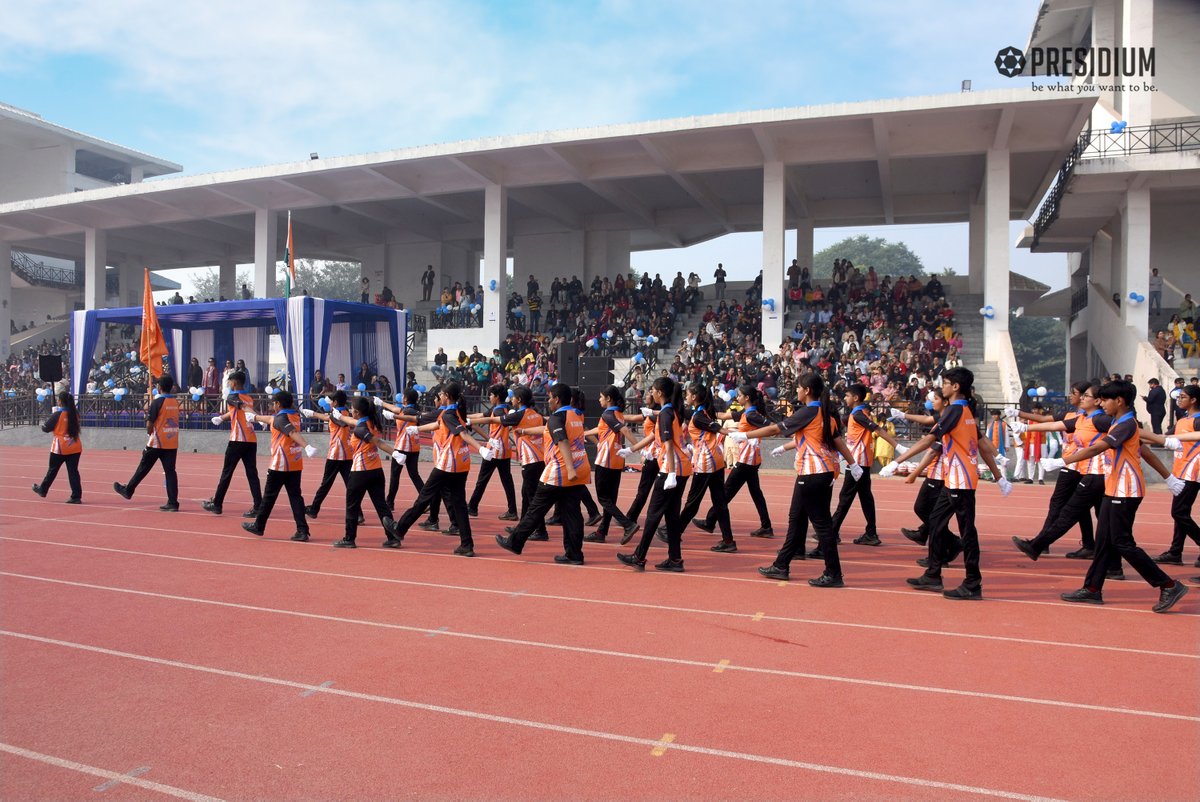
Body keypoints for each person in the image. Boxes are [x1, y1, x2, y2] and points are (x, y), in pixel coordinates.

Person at [1053, 380, 1189, 612]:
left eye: (1104, 399)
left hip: (1126, 491)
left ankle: (1168, 584)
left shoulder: (1126, 424)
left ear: (1120, 401)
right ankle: (1093, 589)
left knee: (1122, 542)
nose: (1101, 403)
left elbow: (1098, 447)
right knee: (1104, 540)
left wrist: (1061, 461)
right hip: (1114, 488)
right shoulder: (1117, 422)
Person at [887, 367, 1011, 600]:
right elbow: (980, 446)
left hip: (961, 480)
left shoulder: (955, 411)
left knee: (967, 532)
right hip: (954, 479)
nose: (941, 387)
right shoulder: (965, 413)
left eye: (945, 383)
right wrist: (998, 476)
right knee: (934, 521)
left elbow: (929, 439)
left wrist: (898, 462)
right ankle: (933, 573)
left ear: (955, 387)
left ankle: (973, 583)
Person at [732, 373, 859, 587]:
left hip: (813, 473)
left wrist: (745, 436)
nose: (796, 391)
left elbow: (775, 429)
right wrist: (852, 464)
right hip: (820, 473)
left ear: (807, 390)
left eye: (799, 387)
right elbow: (837, 441)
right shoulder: (825, 413)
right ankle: (782, 564)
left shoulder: (809, 411)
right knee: (797, 519)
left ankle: (833, 573)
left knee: (822, 525)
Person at [1009, 384, 1109, 561]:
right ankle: (1094, 551)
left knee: (1070, 510)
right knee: (1080, 511)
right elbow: (1051, 423)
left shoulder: (1100, 420)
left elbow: (1127, 431)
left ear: (1098, 400)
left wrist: (1165, 440)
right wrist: (1023, 423)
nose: (1073, 396)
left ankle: (1041, 544)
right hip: (1078, 467)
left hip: (1087, 471)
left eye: (1080, 394)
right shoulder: (1078, 418)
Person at [388, 381, 490, 557]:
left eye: (442, 394)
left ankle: (399, 529)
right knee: (459, 504)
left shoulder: (450, 414)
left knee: (424, 498)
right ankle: (467, 544)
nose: (439, 396)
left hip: (448, 464)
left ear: (448, 396)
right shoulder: (454, 412)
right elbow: (437, 425)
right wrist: (417, 429)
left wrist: (480, 448)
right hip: (461, 464)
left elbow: (463, 433)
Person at [496, 383, 592, 565]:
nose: (548, 401)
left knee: (535, 508)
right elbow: (549, 430)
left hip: (561, 471)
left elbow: (562, 440)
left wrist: (569, 468)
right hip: (581, 467)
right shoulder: (576, 415)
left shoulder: (557, 417)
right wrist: (525, 431)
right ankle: (574, 554)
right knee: (572, 514)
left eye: (550, 398)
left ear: (556, 399)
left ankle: (515, 542)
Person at [617, 376, 691, 572]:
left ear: (660, 393)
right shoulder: (668, 412)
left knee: (653, 515)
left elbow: (667, 445)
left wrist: (671, 474)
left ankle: (639, 556)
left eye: (652, 390)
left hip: (670, 469)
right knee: (672, 516)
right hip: (679, 468)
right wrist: (631, 451)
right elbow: (653, 436)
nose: (650, 393)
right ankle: (675, 559)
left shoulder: (666, 414)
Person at [827, 383, 905, 548]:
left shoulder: (858, 415)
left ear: (855, 398)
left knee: (845, 498)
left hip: (857, 462)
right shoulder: (861, 412)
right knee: (865, 498)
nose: (845, 398)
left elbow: (878, 429)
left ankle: (831, 532)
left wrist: (897, 447)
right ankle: (871, 533)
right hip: (863, 461)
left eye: (847, 396)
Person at [698, 385, 774, 537]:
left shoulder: (753, 415)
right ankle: (766, 526)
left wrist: (752, 437)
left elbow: (772, 427)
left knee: (727, 490)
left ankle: (710, 520)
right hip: (751, 459)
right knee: (755, 493)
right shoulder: (746, 413)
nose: (737, 397)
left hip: (747, 458)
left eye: (739, 395)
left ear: (746, 398)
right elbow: (725, 416)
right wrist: (706, 413)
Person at [241, 390, 316, 541]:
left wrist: (306, 446)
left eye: (273, 403)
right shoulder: (293, 415)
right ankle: (302, 530)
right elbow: (272, 420)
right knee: (296, 497)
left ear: (278, 404)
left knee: (269, 497)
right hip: (294, 463)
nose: (272, 405)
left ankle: (259, 526)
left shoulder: (282, 418)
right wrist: (255, 417)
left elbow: (291, 432)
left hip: (280, 465)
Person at [674, 384, 737, 553]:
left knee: (693, 501)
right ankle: (728, 540)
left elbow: (714, 426)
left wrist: (730, 433)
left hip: (706, 461)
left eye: (687, 394)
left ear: (694, 396)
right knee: (720, 502)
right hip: (716, 459)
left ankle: (675, 531)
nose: (686, 397)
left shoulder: (700, 416)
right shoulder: (703, 411)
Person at [333, 397, 401, 548]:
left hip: (360, 472)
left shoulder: (360, 428)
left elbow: (377, 442)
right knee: (381, 505)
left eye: (352, 410)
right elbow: (352, 421)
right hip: (376, 470)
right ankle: (393, 537)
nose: (350, 412)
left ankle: (349, 538)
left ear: (357, 412)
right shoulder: (370, 421)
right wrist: (340, 416)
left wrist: (395, 453)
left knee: (352, 505)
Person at [1144, 385, 1200, 568]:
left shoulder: (1198, 420)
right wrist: (1137, 437)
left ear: (1193, 400)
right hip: (1180, 471)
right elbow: (1163, 438)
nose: (1179, 399)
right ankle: (1175, 552)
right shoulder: (1183, 420)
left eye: (1183, 396)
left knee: (1179, 512)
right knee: (1180, 513)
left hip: (1192, 472)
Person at [113, 374, 181, 511]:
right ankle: (173, 502)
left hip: (157, 441)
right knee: (170, 472)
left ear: (159, 387)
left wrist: (148, 432)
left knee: (143, 468)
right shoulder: (174, 402)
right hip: (171, 441)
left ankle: (128, 490)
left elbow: (150, 424)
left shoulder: (157, 402)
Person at [582, 386, 640, 544]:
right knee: (610, 499)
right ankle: (602, 531)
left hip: (605, 460)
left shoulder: (608, 414)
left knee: (603, 498)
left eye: (601, 396)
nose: (599, 399)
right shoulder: (617, 414)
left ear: (608, 399)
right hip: (616, 460)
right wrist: (582, 434)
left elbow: (626, 431)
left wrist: (638, 449)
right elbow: (600, 429)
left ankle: (628, 524)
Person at [203, 371, 263, 517]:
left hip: (237, 440)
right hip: (250, 440)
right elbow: (236, 412)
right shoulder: (248, 398)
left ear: (234, 382)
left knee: (227, 473)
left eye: (229, 381)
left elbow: (242, 408)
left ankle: (217, 504)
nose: (228, 384)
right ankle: (258, 505)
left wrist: (258, 417)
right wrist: (222, 418)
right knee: (252, 474)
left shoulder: (233, 396)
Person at [300, 390, 360, 524]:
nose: (330, 403)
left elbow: (333, 418)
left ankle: (314, 509)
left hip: (335, 454)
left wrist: (313, 414)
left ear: (336, 402)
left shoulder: (337, 414)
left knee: (326, 484)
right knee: (350, 486)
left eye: (332, 401)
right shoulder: (346, 413)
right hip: (347, 454)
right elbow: (329, 417)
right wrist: (313, 414)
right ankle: (359, 514)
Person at [466, 385, 519, 520]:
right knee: (507, 480)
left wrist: (468, 420)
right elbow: (481, 415)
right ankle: (512, 510)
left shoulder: (499, 411)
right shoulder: (502, 408)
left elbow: (493, 418)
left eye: (490, 395)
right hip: (504, 450)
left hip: (494, 449)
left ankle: (472, 506)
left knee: (482, 479)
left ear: (496, 396)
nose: (489, 397)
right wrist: (464, 416)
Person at [32, 391, 82, 503]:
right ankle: (76, 496)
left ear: (61, 401)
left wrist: (53, 415)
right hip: (74, 445)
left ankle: (43, 489)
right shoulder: (76, 414)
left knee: (53, 470)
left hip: (60, 446)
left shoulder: (58, 414)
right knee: (73, 472)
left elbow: (45, 428)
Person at [381, 389, 425, 513]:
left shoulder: (408, 411)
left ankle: (389, 502)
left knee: (395, 476)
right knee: (414, 475)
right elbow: (395, 408)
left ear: (405, 399)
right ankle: (425, 500)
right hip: (414, 447)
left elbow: (400, 411)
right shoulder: (406, 410)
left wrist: (392, 414)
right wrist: (381, 403)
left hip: (402, 447)